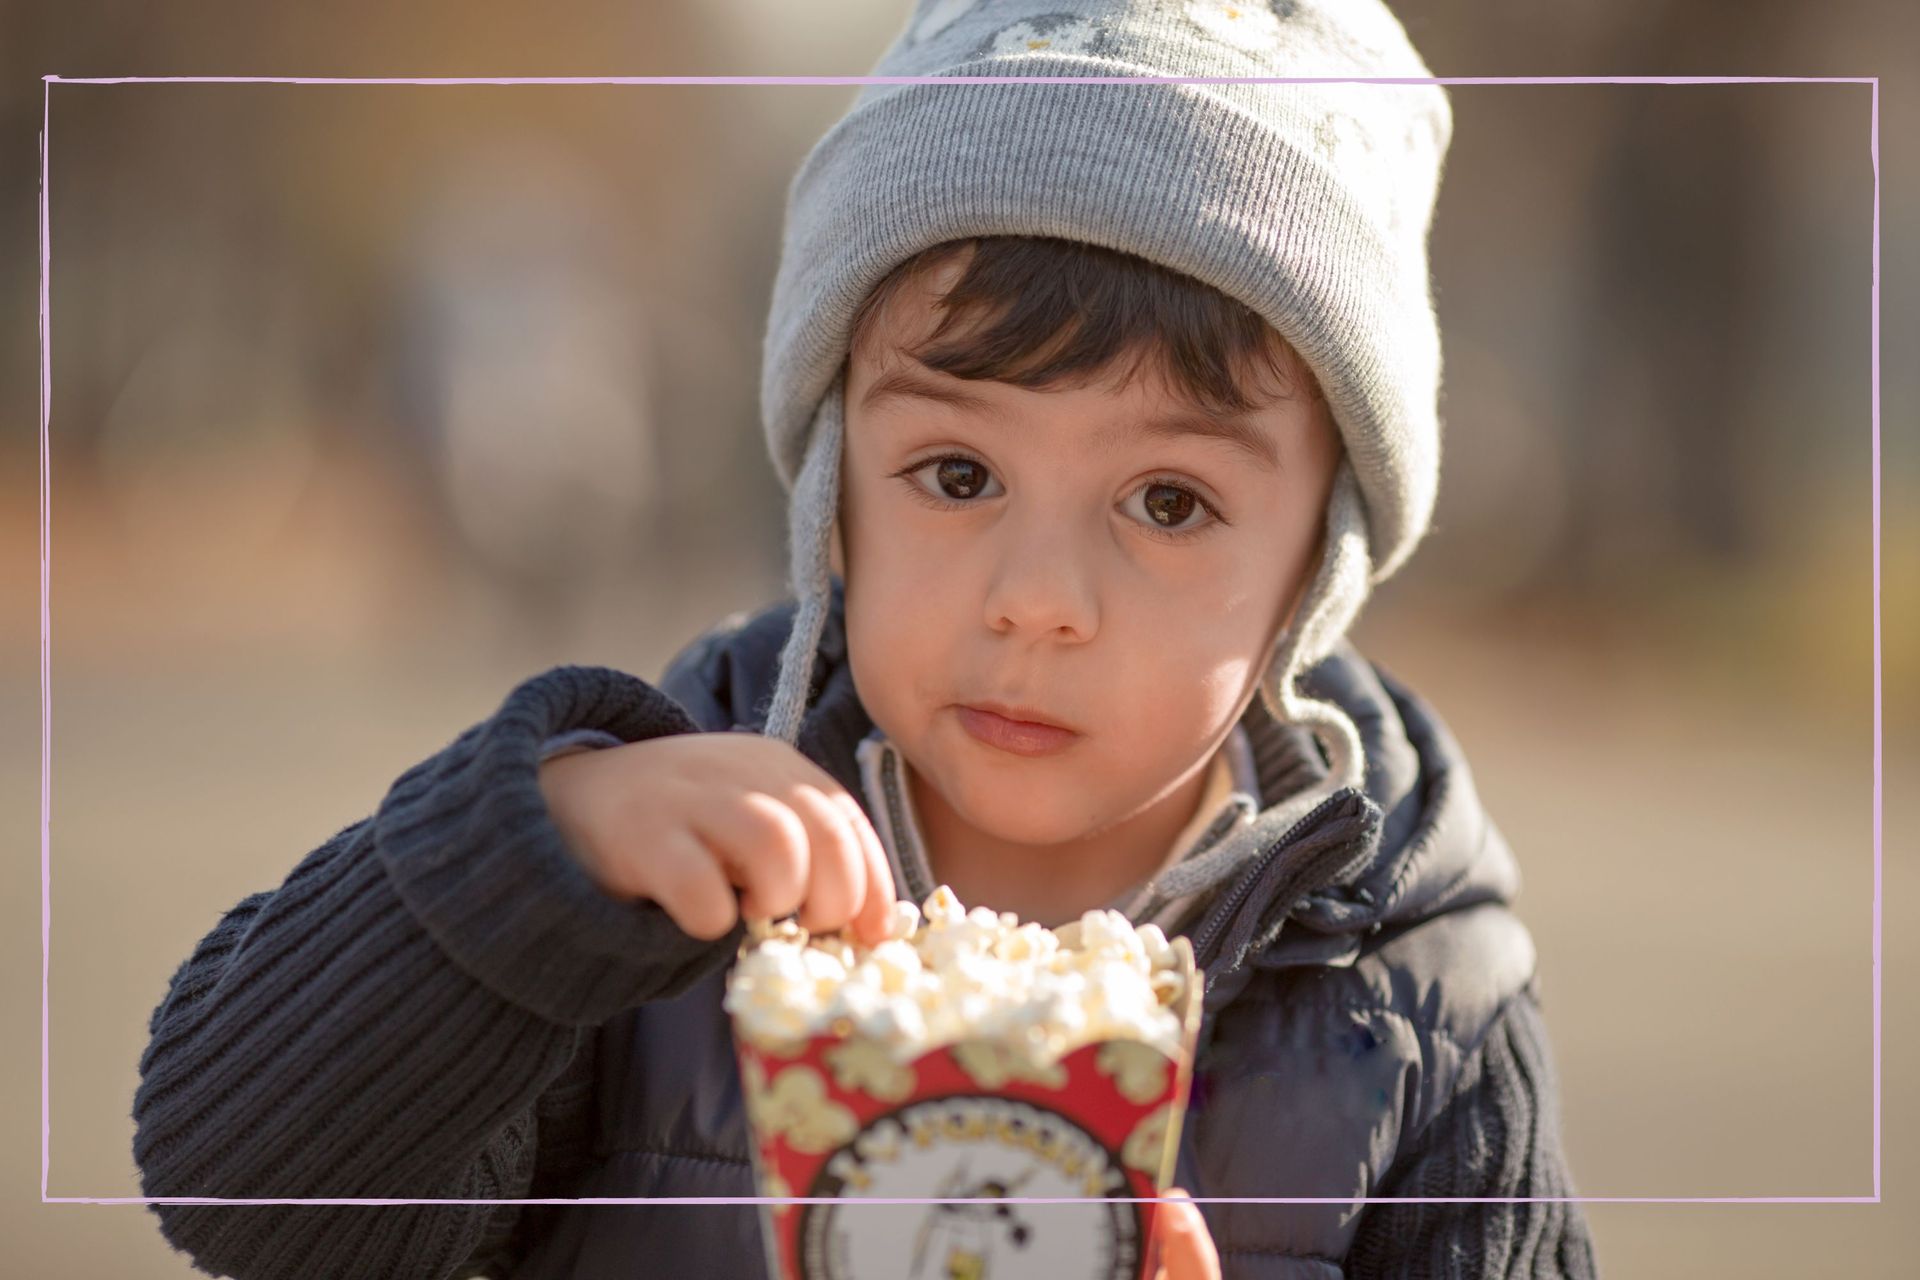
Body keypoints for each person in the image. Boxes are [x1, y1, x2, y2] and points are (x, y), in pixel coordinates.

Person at [132, 2, 1600, 1277]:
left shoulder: (1413, 996)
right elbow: (247, 1195)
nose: (1037, 598)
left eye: (1168, 500)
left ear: (1315, 570)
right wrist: (535, 862)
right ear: (834, 500)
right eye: (957, 476)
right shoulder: (662, 873)